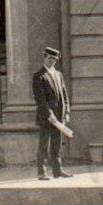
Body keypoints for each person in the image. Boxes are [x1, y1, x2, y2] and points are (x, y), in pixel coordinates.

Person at [33, 46, 71, 179]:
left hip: (59, 116)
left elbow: (65, 96)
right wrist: (50, 115)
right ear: (44, 58)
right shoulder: (39, 76)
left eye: (54, 59)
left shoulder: (58, 75)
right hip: (46, 117)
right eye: (50, 58)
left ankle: (58, 170)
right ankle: (41, 172)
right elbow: (40, 100)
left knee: (57, 144)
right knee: (44, 145)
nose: (52, 61)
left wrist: (66, 113)